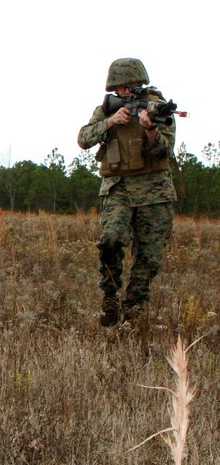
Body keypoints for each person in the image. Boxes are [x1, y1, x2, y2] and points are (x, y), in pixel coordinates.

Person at [77, 58, 176, 327]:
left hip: (154, 192)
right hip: (118, 188)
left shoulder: (156, 107)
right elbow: (83, 139)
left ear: (141, 83)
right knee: (111, 240)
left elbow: (165, 151)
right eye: (121, 88)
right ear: (114, 88)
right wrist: (110, 122)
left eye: (131, 86)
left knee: (148, 257)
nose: (126, 92)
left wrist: (151, 130)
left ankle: (133, 314)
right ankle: (110, 297)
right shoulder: (106, 110)